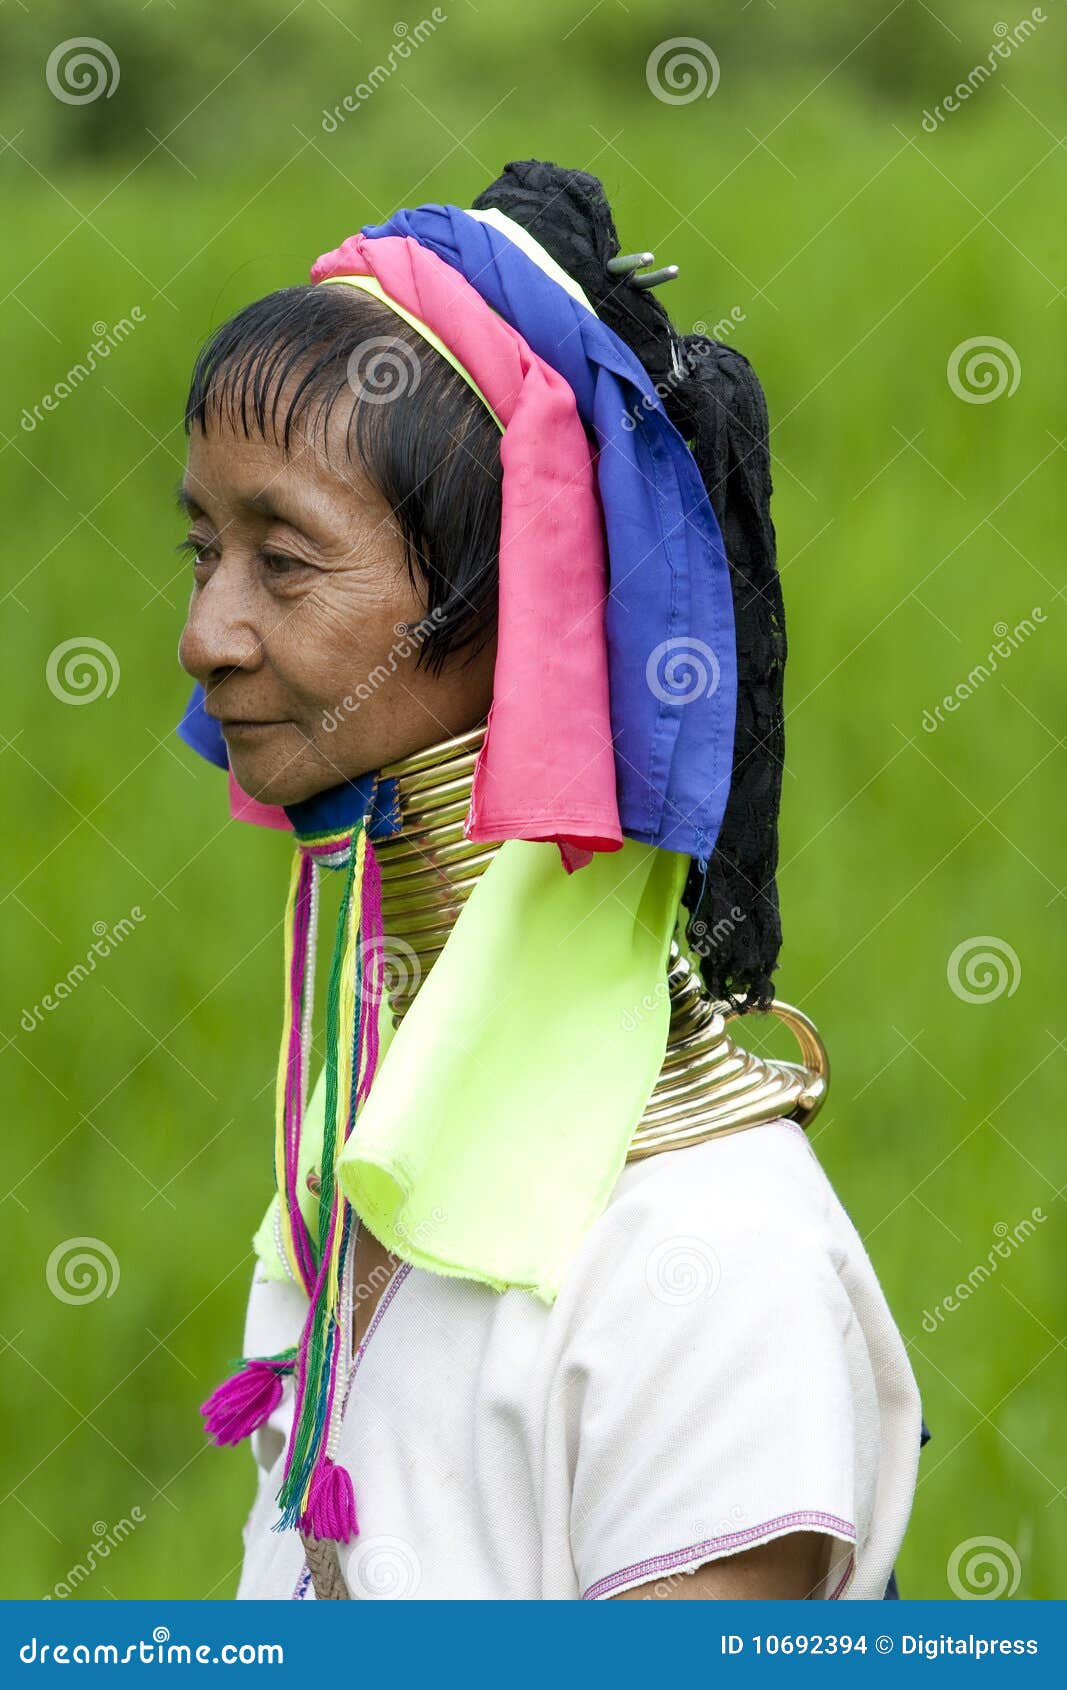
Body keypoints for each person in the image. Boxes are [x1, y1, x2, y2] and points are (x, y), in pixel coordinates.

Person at [174, 160, 923, 1601]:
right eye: (203, 551)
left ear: (508, 606)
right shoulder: (355, 1184)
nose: (207, 633)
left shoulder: (702, 1253)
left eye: (285, 560)